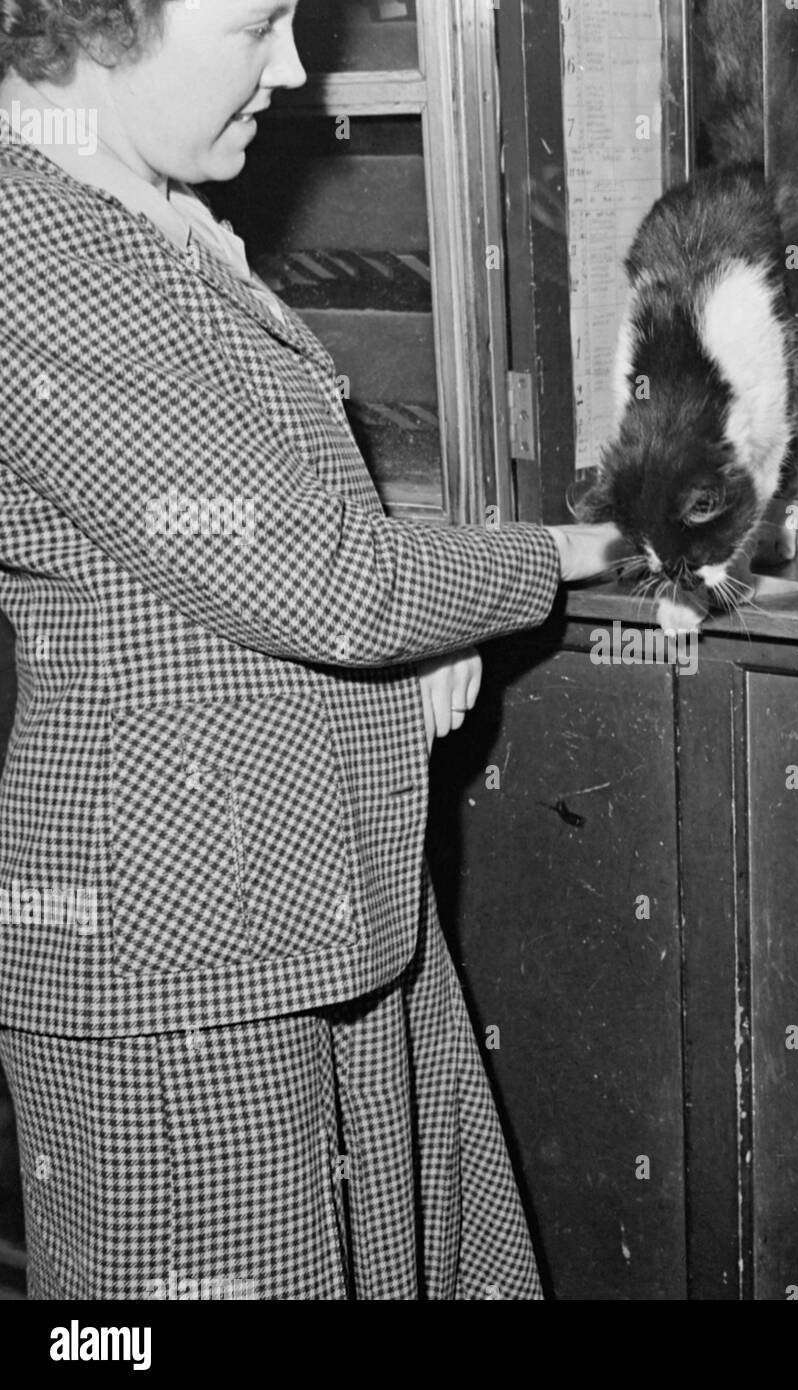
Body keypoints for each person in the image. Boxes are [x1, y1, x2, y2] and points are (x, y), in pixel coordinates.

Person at [0, 0, 619, 1299]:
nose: (295, 69)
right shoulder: (30, 240)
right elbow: (307, 574)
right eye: (253, 24)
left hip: (297, 890)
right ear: (102, 28)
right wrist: (566, 553)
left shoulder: (130, 203)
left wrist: (411, 629)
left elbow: (282, 516)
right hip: (177, 952)